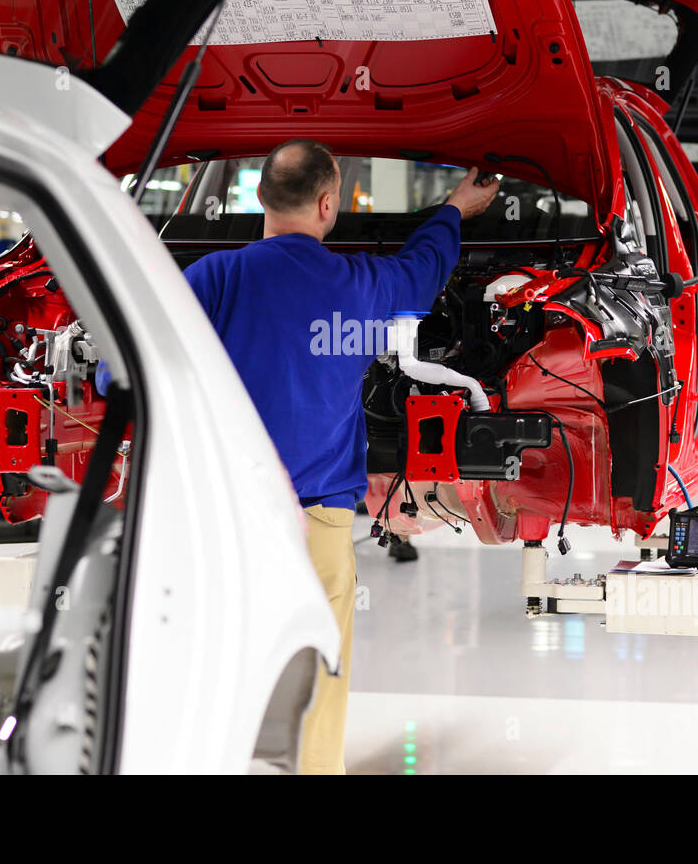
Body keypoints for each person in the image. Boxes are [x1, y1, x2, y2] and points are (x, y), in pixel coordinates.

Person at [183, 140, 500, 772]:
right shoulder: (360, 286)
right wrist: (454, 211)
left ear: (257, 199)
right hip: (319, 527)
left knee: (219, 667)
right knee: (319, 682)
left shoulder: (213, 277)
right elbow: (422, 269)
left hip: (228, 525)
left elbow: (118, 372)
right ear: (329, 204)